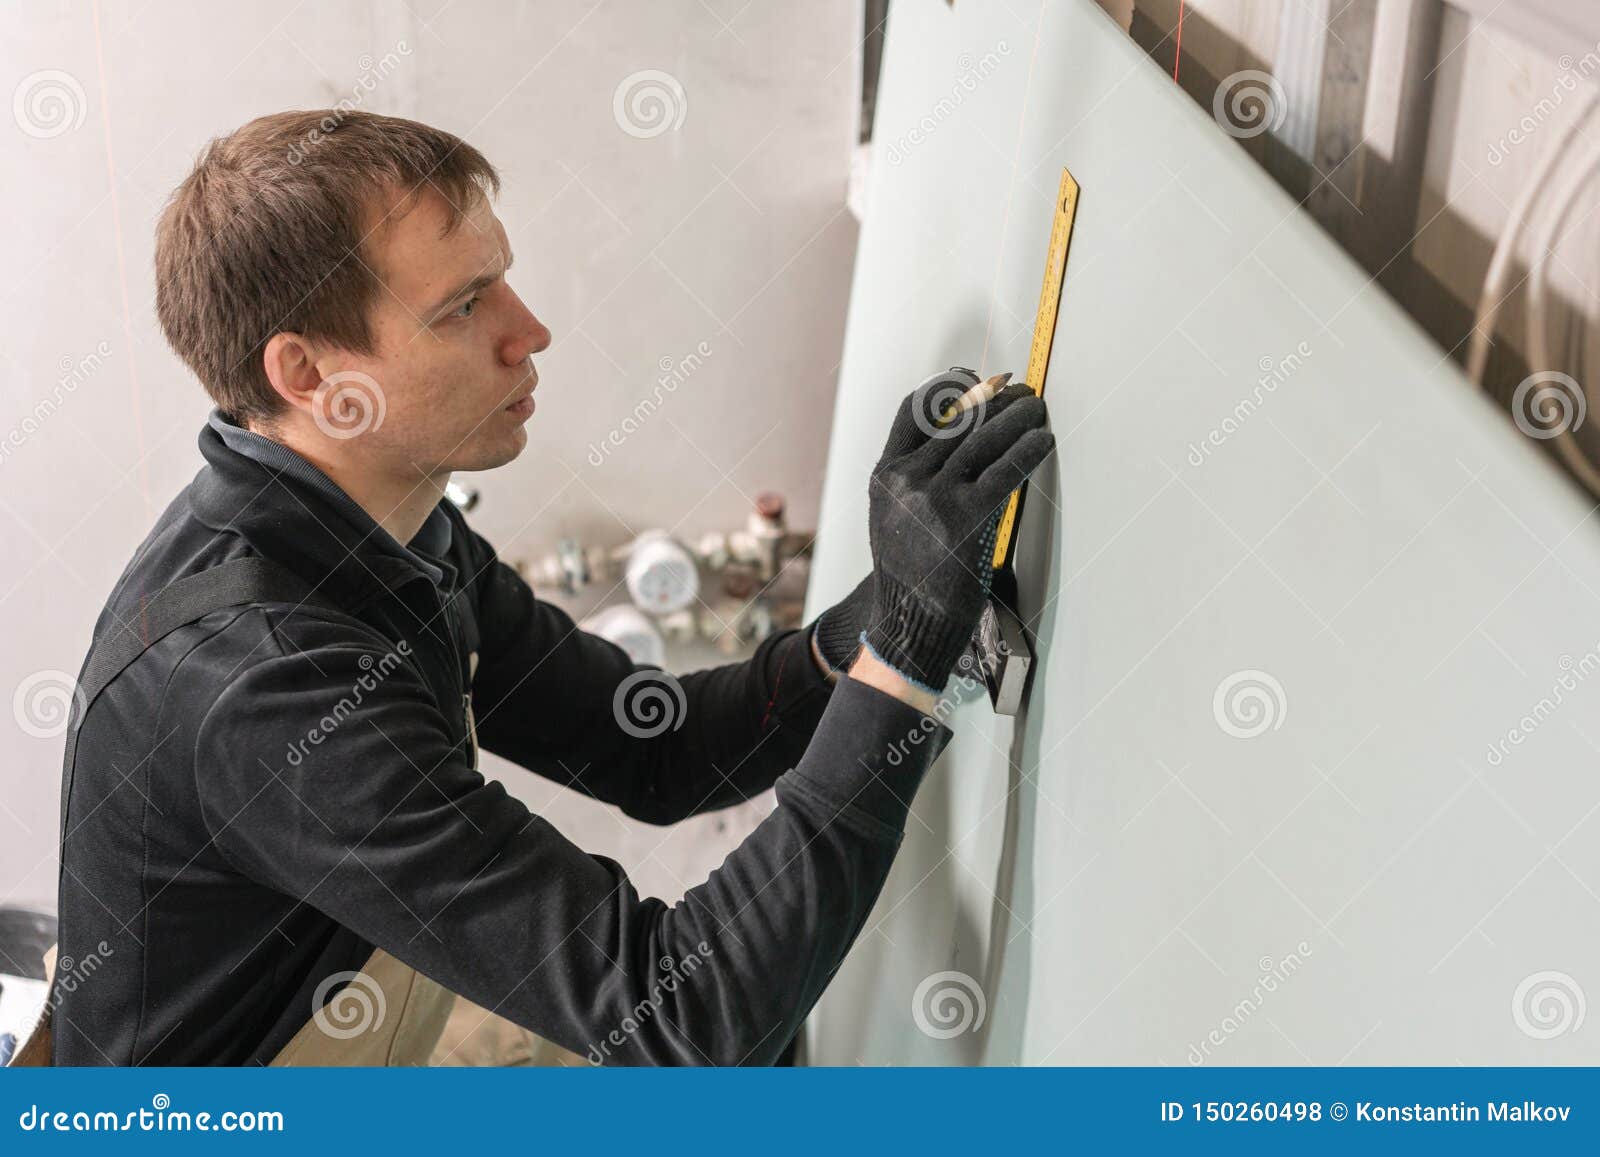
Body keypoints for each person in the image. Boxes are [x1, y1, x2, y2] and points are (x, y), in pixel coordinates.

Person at [47, 109, 1053, 1065]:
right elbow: (684, 1022)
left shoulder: (379, 525)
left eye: (502, 281)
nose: (529, 331)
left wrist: (875, 614)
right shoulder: (263, 687)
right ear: (309, 376)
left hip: (351, 1021)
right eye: (463, 306)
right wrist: (906, 658)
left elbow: (655, 750)